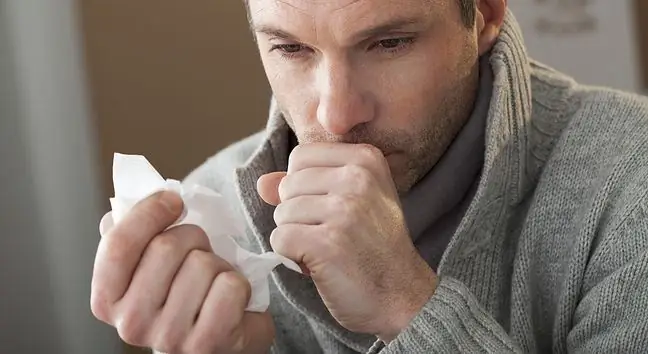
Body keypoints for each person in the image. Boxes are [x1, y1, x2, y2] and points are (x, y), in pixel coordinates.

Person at [90, 0, 648, 353]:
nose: (336, 116)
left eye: (389, 43)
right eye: (290, 48)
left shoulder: (630, 182)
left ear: (486, 15)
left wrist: (407, 306)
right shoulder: (212, 218)